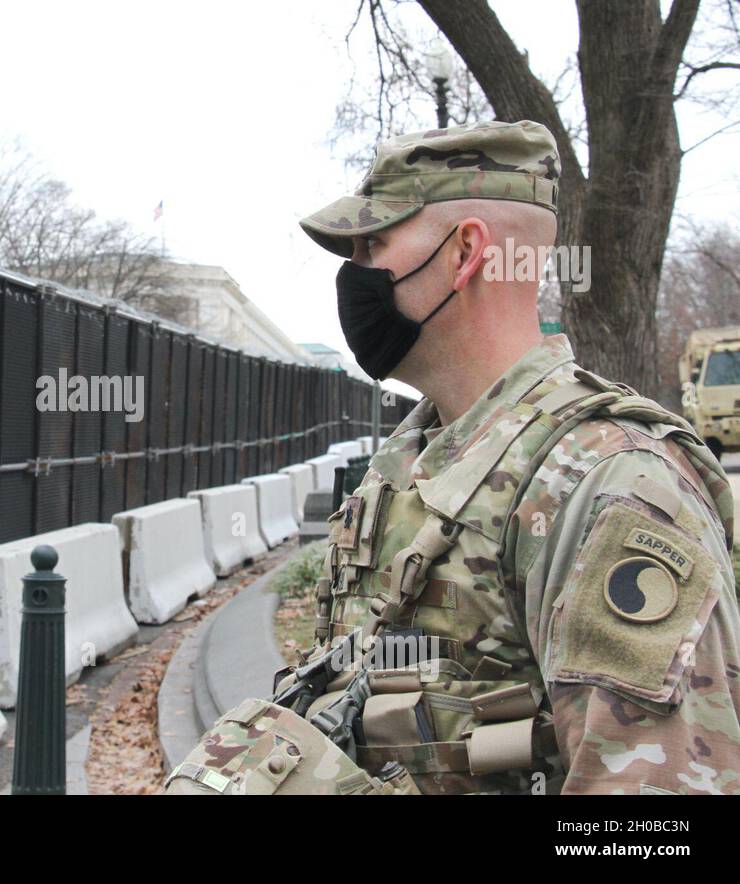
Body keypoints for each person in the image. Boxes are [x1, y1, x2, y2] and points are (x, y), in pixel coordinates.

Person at [166, 121, 738, 795]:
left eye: (372, 244)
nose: (354, 275)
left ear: (465, 251)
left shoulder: (610, 484)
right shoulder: (410, 461)